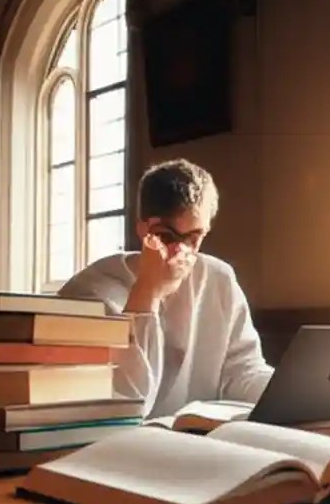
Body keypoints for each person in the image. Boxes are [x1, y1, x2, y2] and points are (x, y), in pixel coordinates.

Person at [59, 159, 273, 418]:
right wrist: (148, 289)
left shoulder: (219, 279)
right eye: (166, 236)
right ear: (142, 229)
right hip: (121, 446)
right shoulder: (90, 293)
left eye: (193, 238)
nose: (179, 252)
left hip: (198, 438)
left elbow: (243, 372)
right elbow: (128, 402)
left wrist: (288, 395)